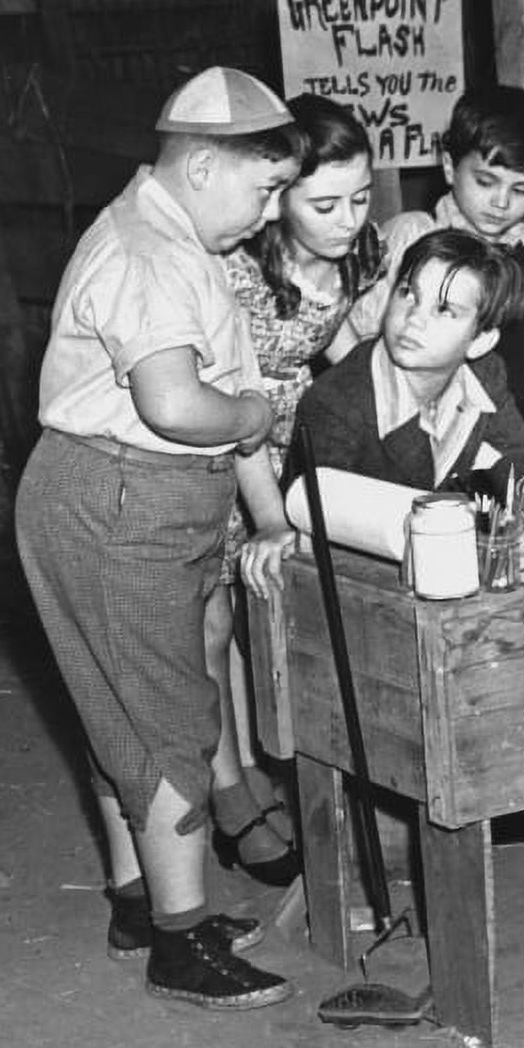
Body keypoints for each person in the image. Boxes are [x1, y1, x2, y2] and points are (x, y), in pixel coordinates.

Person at [16, 66, 306, 1010]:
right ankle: (181, 946)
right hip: (123, 502)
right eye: (264, 189)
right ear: (205, 166)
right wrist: (255, 412)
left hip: (99, 494)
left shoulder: (161, 232)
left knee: (118, 713)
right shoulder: (151, 252)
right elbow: (177, 406)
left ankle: (141, 899)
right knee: (172, 720)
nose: (269, 214)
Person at [204, 93, 385, 888]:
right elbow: (237, 413)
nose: (348, 218)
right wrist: (273, 520)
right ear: (277, 198)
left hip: (287, 444)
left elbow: (340, 351)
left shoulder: (353, 253)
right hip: (220, 449)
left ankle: (263, 778)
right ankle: (229, 788)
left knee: (260, 627)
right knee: (209, 629)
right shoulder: (239, 275)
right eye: (325, 204)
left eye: (361, 197)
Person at [287, 227, 524, 539]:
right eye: (408, 293)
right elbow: (323, 520)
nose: (414, 318)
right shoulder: (336, 400)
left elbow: (519, 450)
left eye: (444, 310)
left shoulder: (483, 376)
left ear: (480, 341)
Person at [363, 84, 524, 462]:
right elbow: (368, 348)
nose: (502, 203)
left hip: (520, 437)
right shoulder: (415, 238)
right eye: (485, 182)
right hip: (432, 440)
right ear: (450, 166)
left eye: (521, 189)